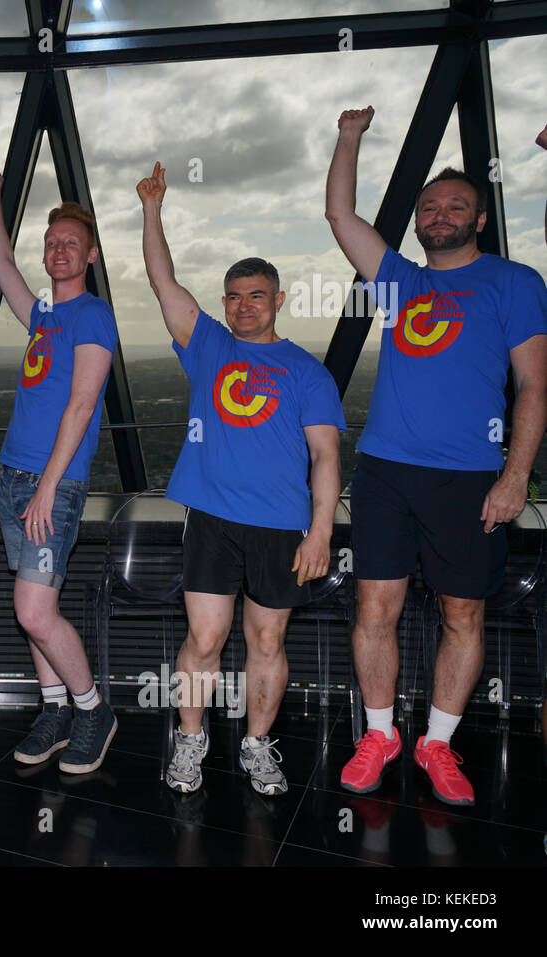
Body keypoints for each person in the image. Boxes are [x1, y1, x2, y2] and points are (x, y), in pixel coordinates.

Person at [327, 106, 547, 805]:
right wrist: (350, 137)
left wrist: (516, 474)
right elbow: (339, 215)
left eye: (457, 204)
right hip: (386, 470)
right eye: (430, 205)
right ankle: (382, 733)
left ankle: (438, 744)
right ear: (419, 222)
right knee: (375, 608)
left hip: (470, 478)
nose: (441, 212)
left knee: (463, 615)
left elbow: (536, 384)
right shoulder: (398, 279)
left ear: (479, 220)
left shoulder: (513, 283)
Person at [137, 162, 345, 795]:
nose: (243, 306)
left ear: (277, 300)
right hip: (212, 518)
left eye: (256, 295)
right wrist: (152, 209)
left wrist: (319, 533)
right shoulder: (207, 345)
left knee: (266, 637)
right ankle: (191, 740)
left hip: (282, 526)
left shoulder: (307, 372)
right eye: (234, 296)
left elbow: (327, 459)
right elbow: (162, 280)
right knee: (204, 636)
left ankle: (257, 745)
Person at [0, 169, 119, 774]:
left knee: (33, 611)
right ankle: (55, 709)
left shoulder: (94, 316)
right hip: (13, 476)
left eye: (72, 242)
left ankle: (92, 711)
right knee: (39, 605)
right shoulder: (42, 316)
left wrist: (47, 487)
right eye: (52, 241)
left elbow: (82, 405)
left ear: (90, 254)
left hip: (49, 486)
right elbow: (1, 260)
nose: (59, 249)